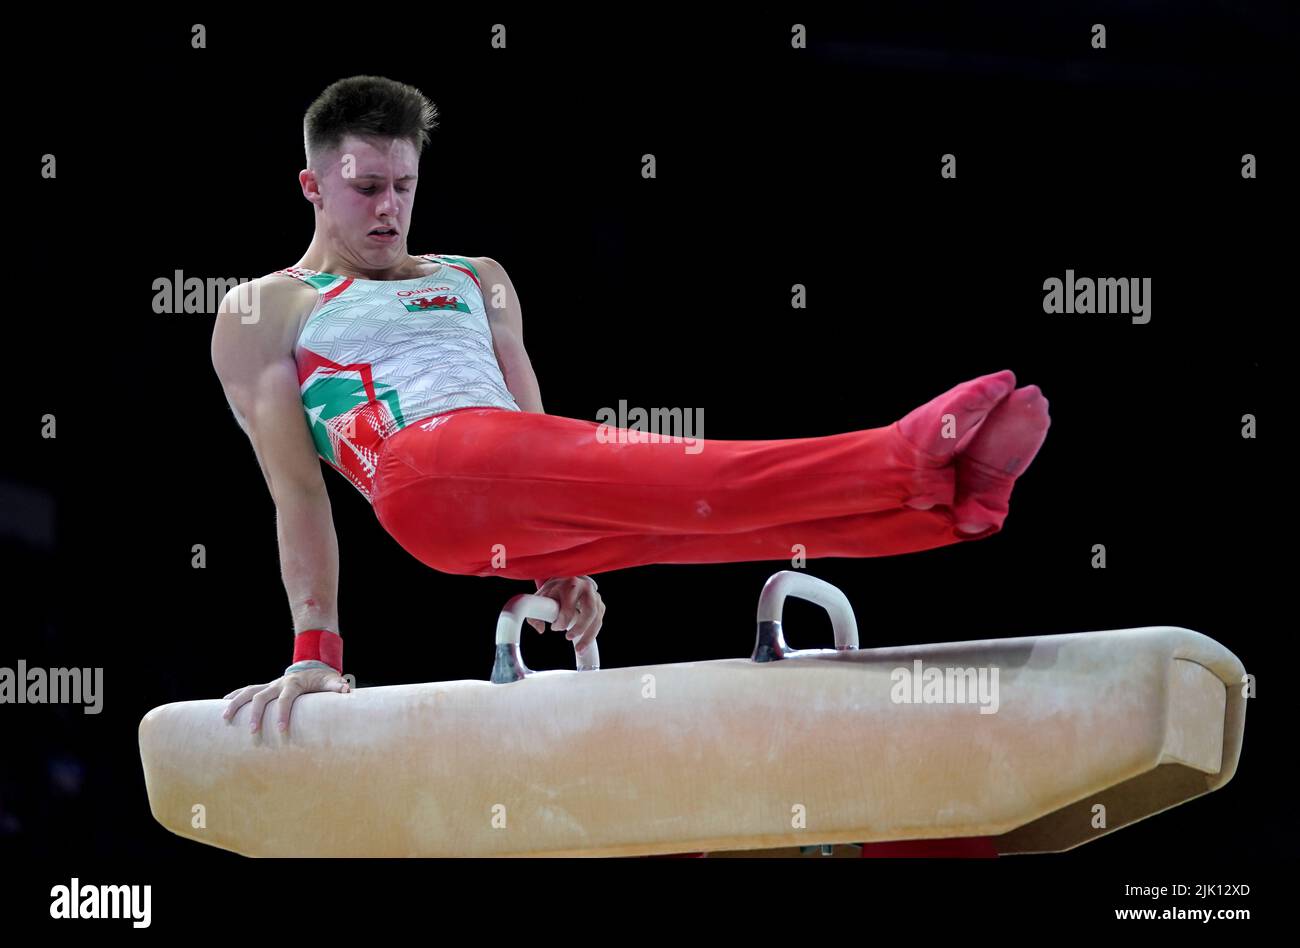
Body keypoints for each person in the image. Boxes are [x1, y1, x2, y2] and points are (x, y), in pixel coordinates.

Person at [212, 76, 1050, 734]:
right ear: (312, 185)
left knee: (717, 522)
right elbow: (298, 491)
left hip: (503, 476)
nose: (390, 208)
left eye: (404, 185)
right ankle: (898, 452)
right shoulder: (269, 308)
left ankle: (940, 505)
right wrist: (315, 652)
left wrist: (555, 566)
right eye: (366, 188)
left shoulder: (477, 276)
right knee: (701, 470)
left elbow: (535, 434)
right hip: (419, 470)